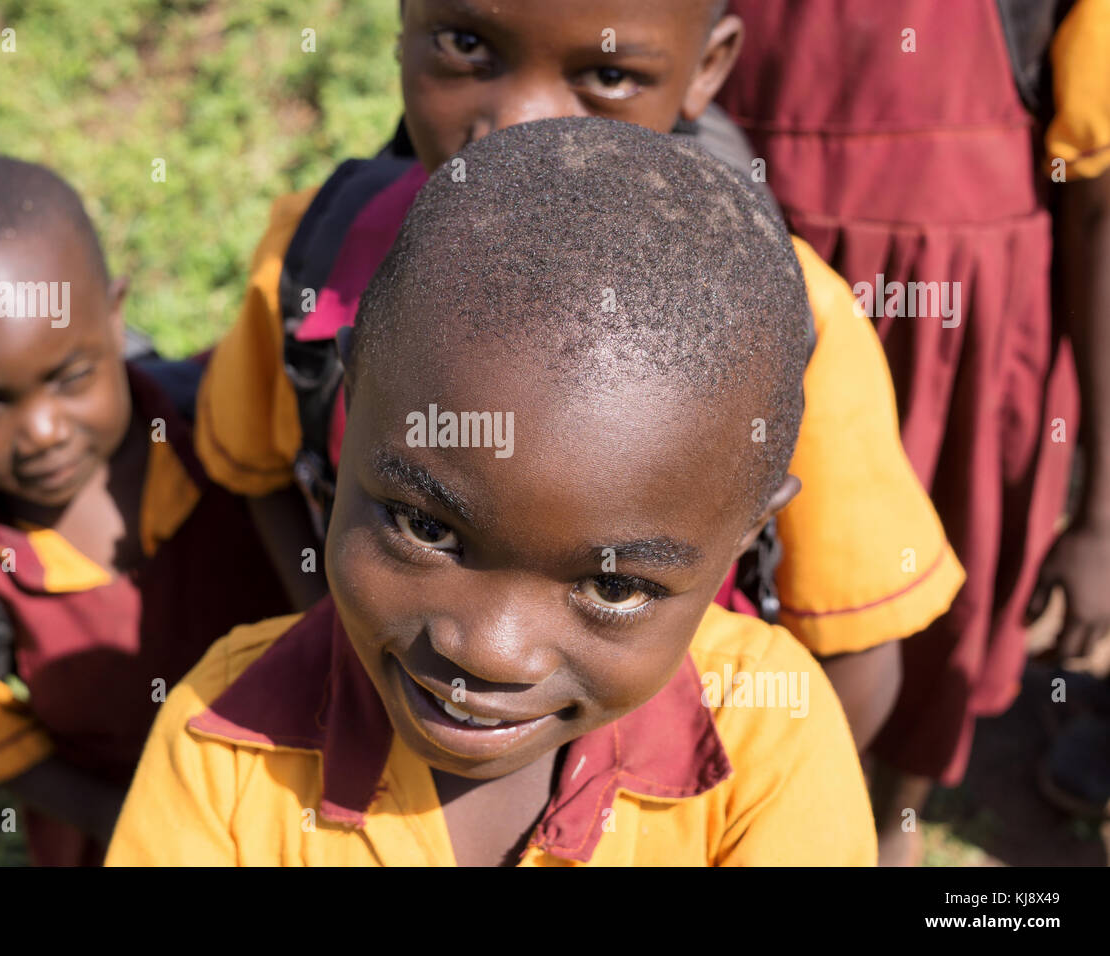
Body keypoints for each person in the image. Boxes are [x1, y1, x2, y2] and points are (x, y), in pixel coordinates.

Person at [194, 0, 963, 770]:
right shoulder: (318, 258)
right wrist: (362, 663)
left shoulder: (784, 329)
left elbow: (853, 642)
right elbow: (260, 473)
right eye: (468, 44)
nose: (521, 120)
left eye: (607, 74)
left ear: (707, 67)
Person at [106, 118, 876, 867]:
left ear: (742, 538)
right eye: (424, 528)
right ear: (353, 400)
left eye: (612, 585)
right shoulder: (226, 739)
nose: (488, 650)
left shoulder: (769, 734)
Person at [717, 0, 1110, 856]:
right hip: (741, 302)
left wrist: (1102, 514)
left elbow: (1099, 203)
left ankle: (894, 819)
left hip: (967, 347)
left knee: (936, 616)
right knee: (738, 602)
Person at [0, 156, 290, 865]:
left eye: (70, 377)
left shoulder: (222, 432)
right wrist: (143, 821)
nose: (42, 431)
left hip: (297, 779)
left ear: (115, 314)